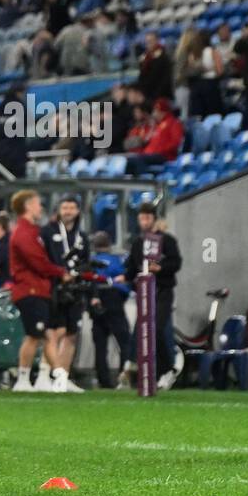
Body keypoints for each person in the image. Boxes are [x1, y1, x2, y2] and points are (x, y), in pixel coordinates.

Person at [8, 190, 69, 392]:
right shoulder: (23, 233)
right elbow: (38, 262)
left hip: (40, 289)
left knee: (53, 331)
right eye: (37, 203)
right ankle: (24, 379)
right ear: (27, 206)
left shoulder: (33, 231)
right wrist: (61, 272)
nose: (40, 207)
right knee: (36, 335)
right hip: (29, 290)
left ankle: (45, 377)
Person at [125, 202, 181, 388]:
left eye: (147, 217)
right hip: (143, 293)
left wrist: (161, 268)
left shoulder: (167, 240)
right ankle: (156, 372)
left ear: (154, 219)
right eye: (141, 218)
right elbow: (132, 267)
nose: (144, 221)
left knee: (156, 329)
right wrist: (124, 277)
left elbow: (176, 263)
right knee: (145, 332)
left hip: (162, 291)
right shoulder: (137, 243)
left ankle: (166, 370)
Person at [42, 194, 89, 393]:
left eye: (72, 207)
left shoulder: (82, 236)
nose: (68, 211)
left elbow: (86, 264)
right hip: (54, 288)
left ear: (78, 211)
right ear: (59, 210)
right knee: (53, 332)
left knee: (72, 334)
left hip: (75, 290)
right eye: (65, 207)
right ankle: (52, 374)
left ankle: (64, 377)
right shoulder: (48, 231)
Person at [87, 231, 133, 389]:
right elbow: (125, 283)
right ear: (109, 245)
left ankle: (103, 381)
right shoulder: (117, 261)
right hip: (114, 299)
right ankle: (123, 377)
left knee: (100, 345)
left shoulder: (91, 262)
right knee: (124, 342)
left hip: (96, 299)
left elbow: (87, 283)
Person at [124, 97, 184, 174]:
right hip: (150, 155)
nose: (154, 114)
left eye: (156, 111)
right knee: (129, 161)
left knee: (138, 160)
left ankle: (146, 181)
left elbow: (176, 142)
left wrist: (161, 150)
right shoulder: (157, 126)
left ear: (163, 112)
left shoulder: (173, 123)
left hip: (164, 156)